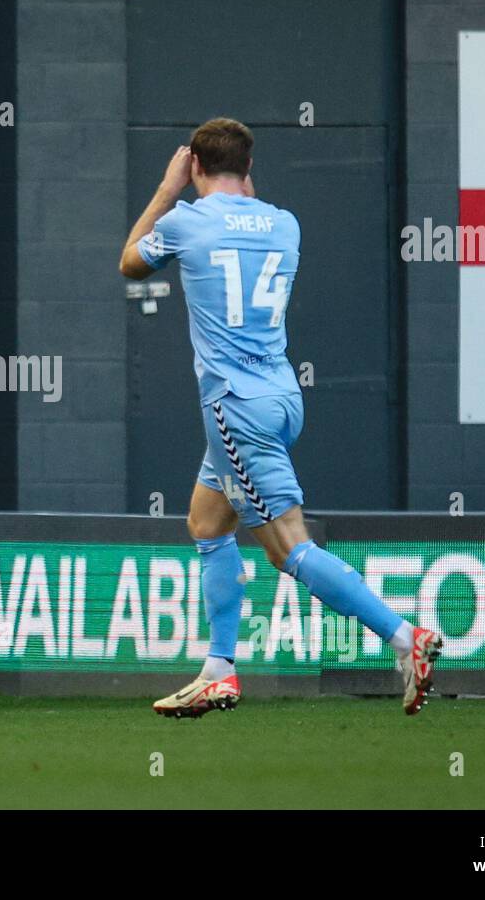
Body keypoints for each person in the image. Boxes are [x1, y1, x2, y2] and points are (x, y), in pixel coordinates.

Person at [119, 118, 441, 718]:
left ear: (194, 168)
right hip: (282, 396)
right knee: (207, 522)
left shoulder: (186, 220)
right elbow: (245, 218)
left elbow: (129, 264)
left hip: (235, 408)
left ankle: (406, 639)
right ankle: (218, 668)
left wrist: (167, 193)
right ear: (249, 169)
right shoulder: (285, 224)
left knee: (286, 548)